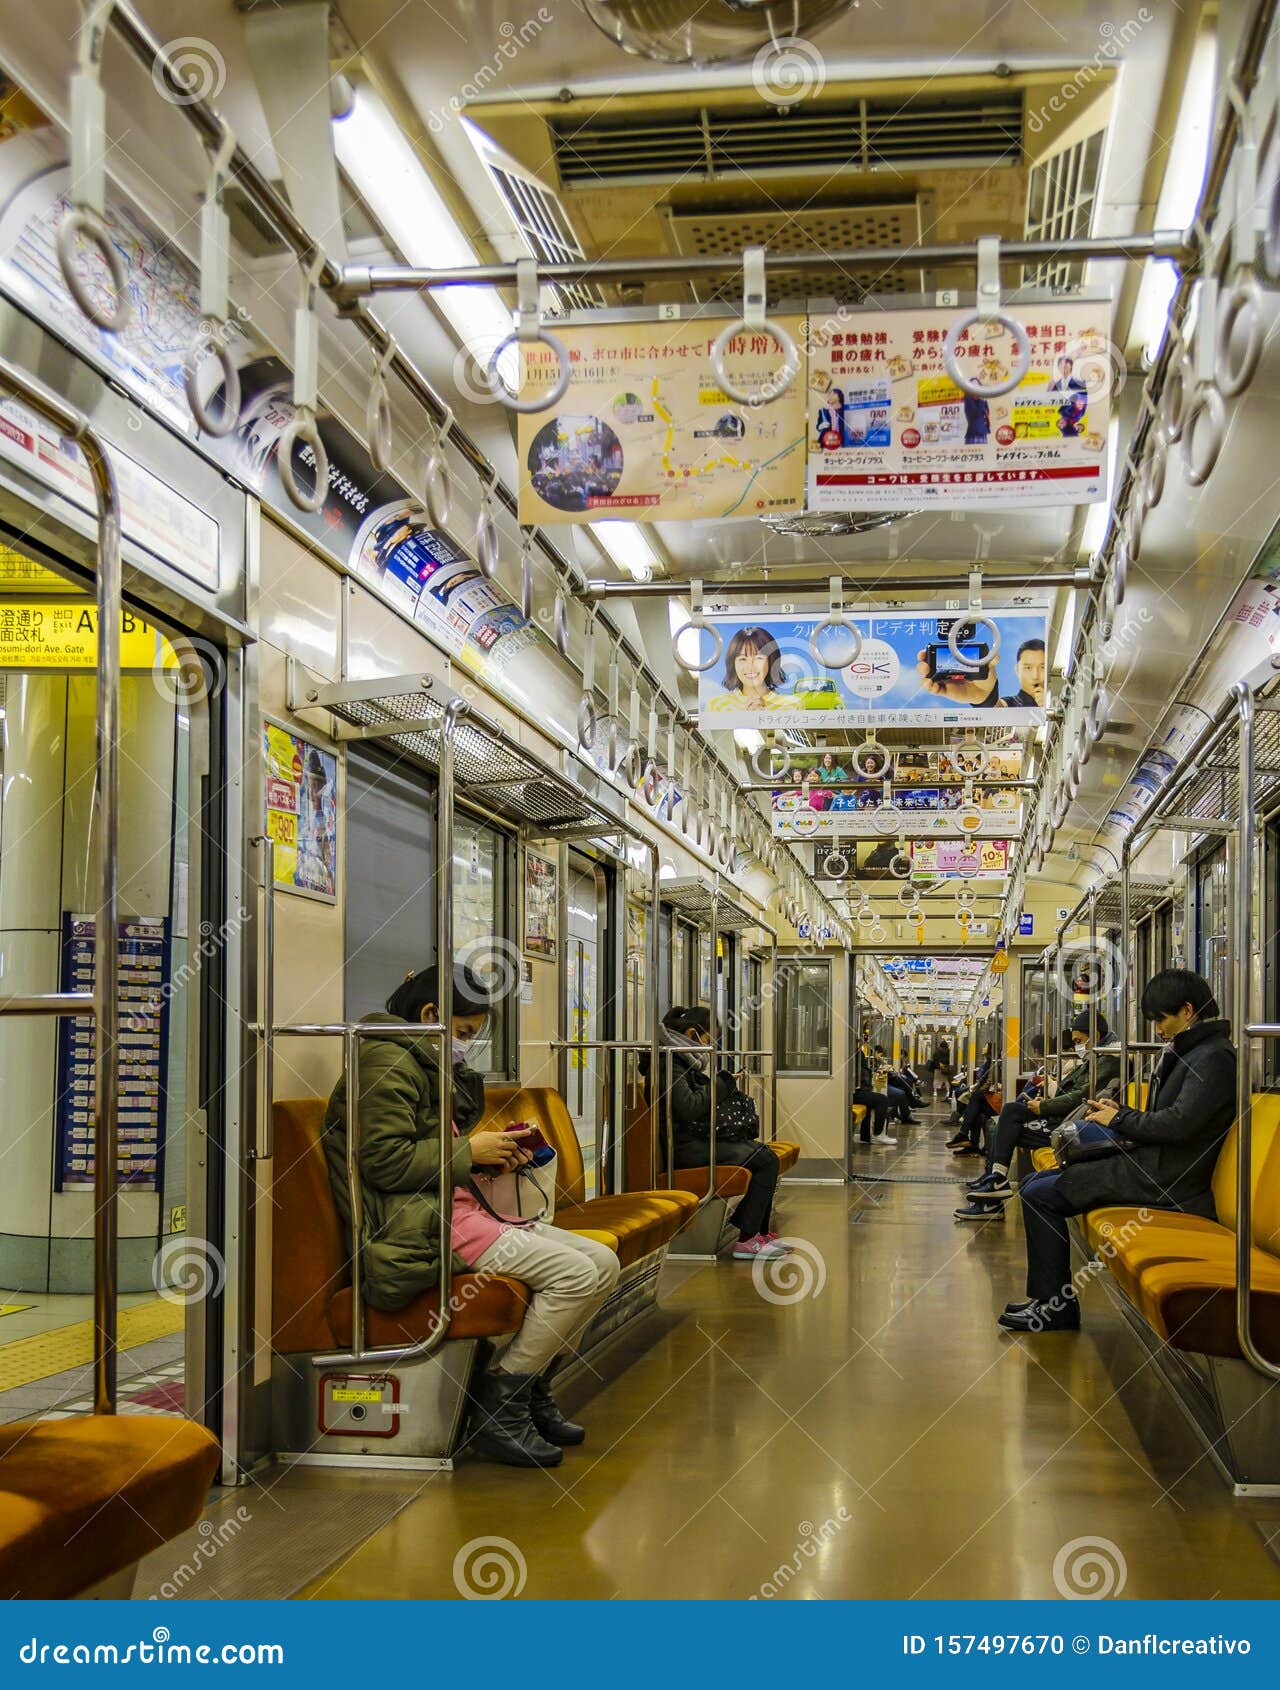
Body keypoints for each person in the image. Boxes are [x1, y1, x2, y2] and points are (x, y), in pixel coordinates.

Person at [322, 963, 620, 1468]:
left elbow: (432, 1148)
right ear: (431, 1015)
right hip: (420, 1223)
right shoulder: (385, 1061)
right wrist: (470, 1152)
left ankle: (532, 1386)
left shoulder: (423, 1061)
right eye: (462, 1032)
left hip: (455, 1207)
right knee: (573, 1274)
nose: (465, 1044)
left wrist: (488, 1155)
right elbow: (384, 1162)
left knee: (603, 1263)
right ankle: (500, 1403)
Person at [997, 971, 1236, 1333]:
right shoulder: (1196, 1052)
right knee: (1033, 1184)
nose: (1158, 1030)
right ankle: (1048, 1301)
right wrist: (1120, 1113)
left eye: (1161, 1020)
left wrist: (1120, 1118)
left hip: (1169, 1180)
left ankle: (1055, 1308)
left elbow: (1178, 1124)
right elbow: (1170, 1119)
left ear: (1187, 1011)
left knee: (1039, 1194)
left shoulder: (1213, 1058)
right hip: (1154, 1165)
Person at [956, 1012, 1121, 1220]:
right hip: (1064, 1118)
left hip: (1071, 1125)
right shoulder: (1095, 1059)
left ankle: (994, 1188)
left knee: (1007, 1123)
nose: (1077, 1046)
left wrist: (1043, 1107)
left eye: (1079, 1041)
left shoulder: (1108, 1062)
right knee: (1009, 1114)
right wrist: (1046, 1101)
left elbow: (1079, 1096)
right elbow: (1069, 1091)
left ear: (1095, 1035)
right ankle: (994, 1181)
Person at [659, 1006, 788, 1260]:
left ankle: (758, 1233)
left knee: (764, 1154)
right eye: (709, 1040)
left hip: (694, 1140)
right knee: (765, 1160)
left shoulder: (681, 1061)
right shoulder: (670, 1063)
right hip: (685, 1148)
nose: (710, 1047)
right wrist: (722, 1083)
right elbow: (688, 1108)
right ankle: (748, 1238)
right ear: (692, 1034)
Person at [914, 637, 1046, 711]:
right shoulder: (1011, 704)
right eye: (1028, 667)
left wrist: (1050, 705)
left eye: (1042, 667)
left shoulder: (1057, 700)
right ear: (1017, 669)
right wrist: (984, 698)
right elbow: (997, 711)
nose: (1035, 675)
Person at [706, 626, 789, 714]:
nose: (750, 666)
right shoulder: (716, 706)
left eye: (758, 658)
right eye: (743, 659)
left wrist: (765, 718)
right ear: (733, 664)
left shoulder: (791, 705)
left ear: (771, 660)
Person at [852, 1037, 896, 1147]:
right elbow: (862, 1073)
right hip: (854, 1093)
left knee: (869, 1102)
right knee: (883, 1100)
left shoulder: (856, 1054)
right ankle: (877, 1134)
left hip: (857, 1090)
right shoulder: (856, 1054)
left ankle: (865, 1137)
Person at [873, 1045, 921, 1124]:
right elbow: (875, 1074)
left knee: (902, 1085)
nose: (880, 1057)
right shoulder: (872, 1061)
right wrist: (884, 1070)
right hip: (879, 1085)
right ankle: (909, 1109)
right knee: (900, 1092)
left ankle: (906, 1110)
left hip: (884, 1083)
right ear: (876, 1052)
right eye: (880, 1055)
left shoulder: (877, 1061)